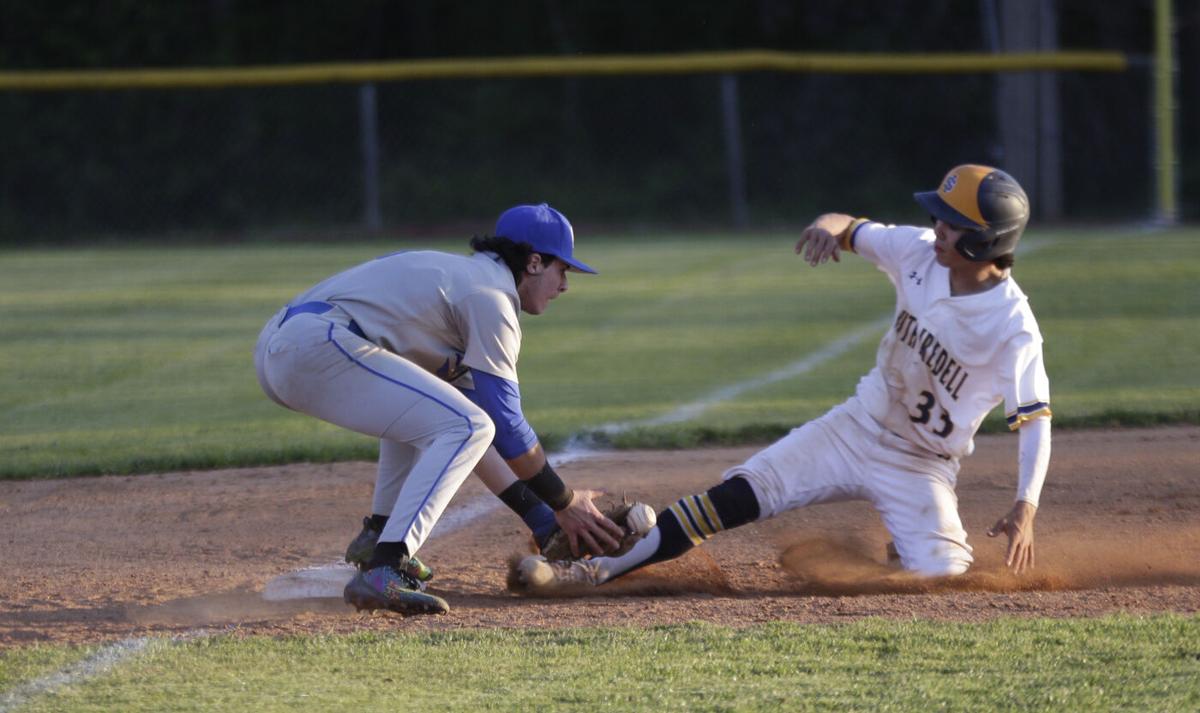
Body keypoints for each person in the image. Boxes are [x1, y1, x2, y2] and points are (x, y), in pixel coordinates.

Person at [521, 165, 1052, 589]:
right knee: (740, 494)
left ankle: (900, 546)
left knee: (944, 582)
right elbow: (850, 225)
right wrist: (828, 226)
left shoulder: (1012, 326)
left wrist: (1024, 506)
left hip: (922, 465)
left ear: (983, 241)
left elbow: (1034, 422)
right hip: (854, 427)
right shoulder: (918, 251)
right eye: (938, 216)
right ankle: (591, 572)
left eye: (952, 223)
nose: (938, 228)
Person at [255, 203, 623, 615]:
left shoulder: (464, 283)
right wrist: (564, 502)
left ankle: (379, 534)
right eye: (563, 270)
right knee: (468, 425)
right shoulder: (491, 298)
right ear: (534, 262)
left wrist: (542, 520)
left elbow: (480, 437)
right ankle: (386, 566)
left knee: (441, 416)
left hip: (294, 346)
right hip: (316, 345)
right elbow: (505, 426)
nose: (565, 285)